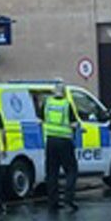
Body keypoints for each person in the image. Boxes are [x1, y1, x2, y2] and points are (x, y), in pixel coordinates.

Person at [42, 80, 79, 211]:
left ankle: (53, 202)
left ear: (54, 92)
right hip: (64, 141)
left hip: (51, 140)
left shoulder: (47, 103)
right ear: (63, 93)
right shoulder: (66, 105)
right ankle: (68, 200)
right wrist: (77, 127)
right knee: (71, 171)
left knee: (52, 172)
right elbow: (73, 124)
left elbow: (42, 119)